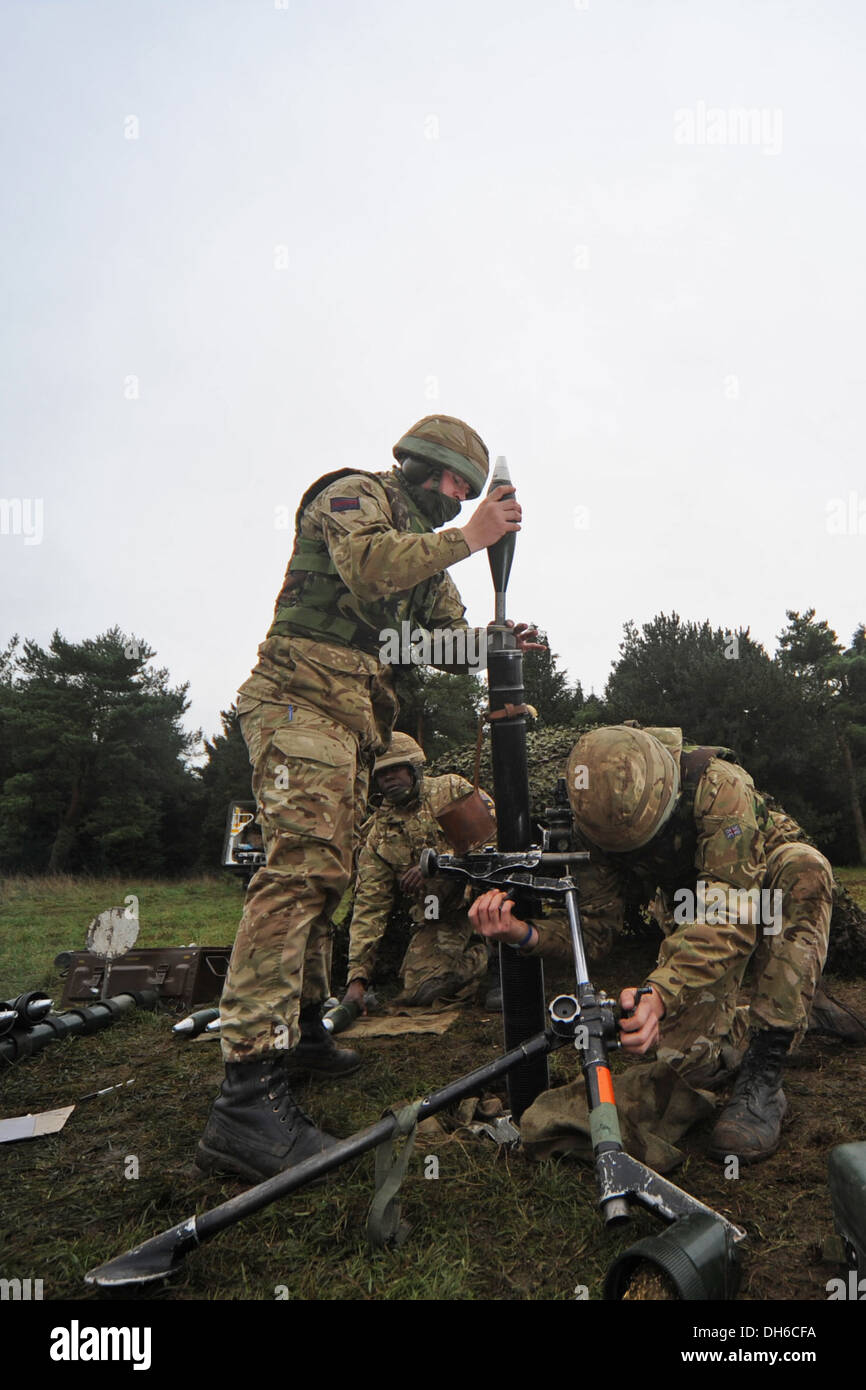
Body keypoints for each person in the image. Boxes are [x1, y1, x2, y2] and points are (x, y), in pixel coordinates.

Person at [196, 414, 542, 1183]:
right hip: (296, 704)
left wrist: (497, 642)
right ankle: (245, 1095)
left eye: (469, 494)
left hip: (353, 729)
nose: (458, 501)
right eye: (454, 484)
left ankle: (306, 1031)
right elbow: (369, 570)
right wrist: (475, 536)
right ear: (421, 466)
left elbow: (434, 646)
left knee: (331, 880)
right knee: (301, 874)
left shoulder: (430, 562)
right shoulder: (356, 499)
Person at [469, 723, 860, 1170]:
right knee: (690, 1067)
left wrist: (660, 994)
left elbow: (729, 914)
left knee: (804, 867)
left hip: (759, 892)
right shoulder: (596, 820)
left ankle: (766, 1067)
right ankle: (790, 1006)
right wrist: (522, 934)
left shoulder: (720, 787)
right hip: (689, 909)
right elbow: (596, 929)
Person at [342, 733, 493, 1012]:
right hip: (441, 918)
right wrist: (357, 977)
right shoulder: (378, 836)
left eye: (396, 769)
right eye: (382, 773)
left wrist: (438, 864)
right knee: (423, 987)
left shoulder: (452, 790)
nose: (389, 778)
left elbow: (492, 843)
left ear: (414, 768)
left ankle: (502, 964)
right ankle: (482, 957)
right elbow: (370, 907)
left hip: (487, 902)